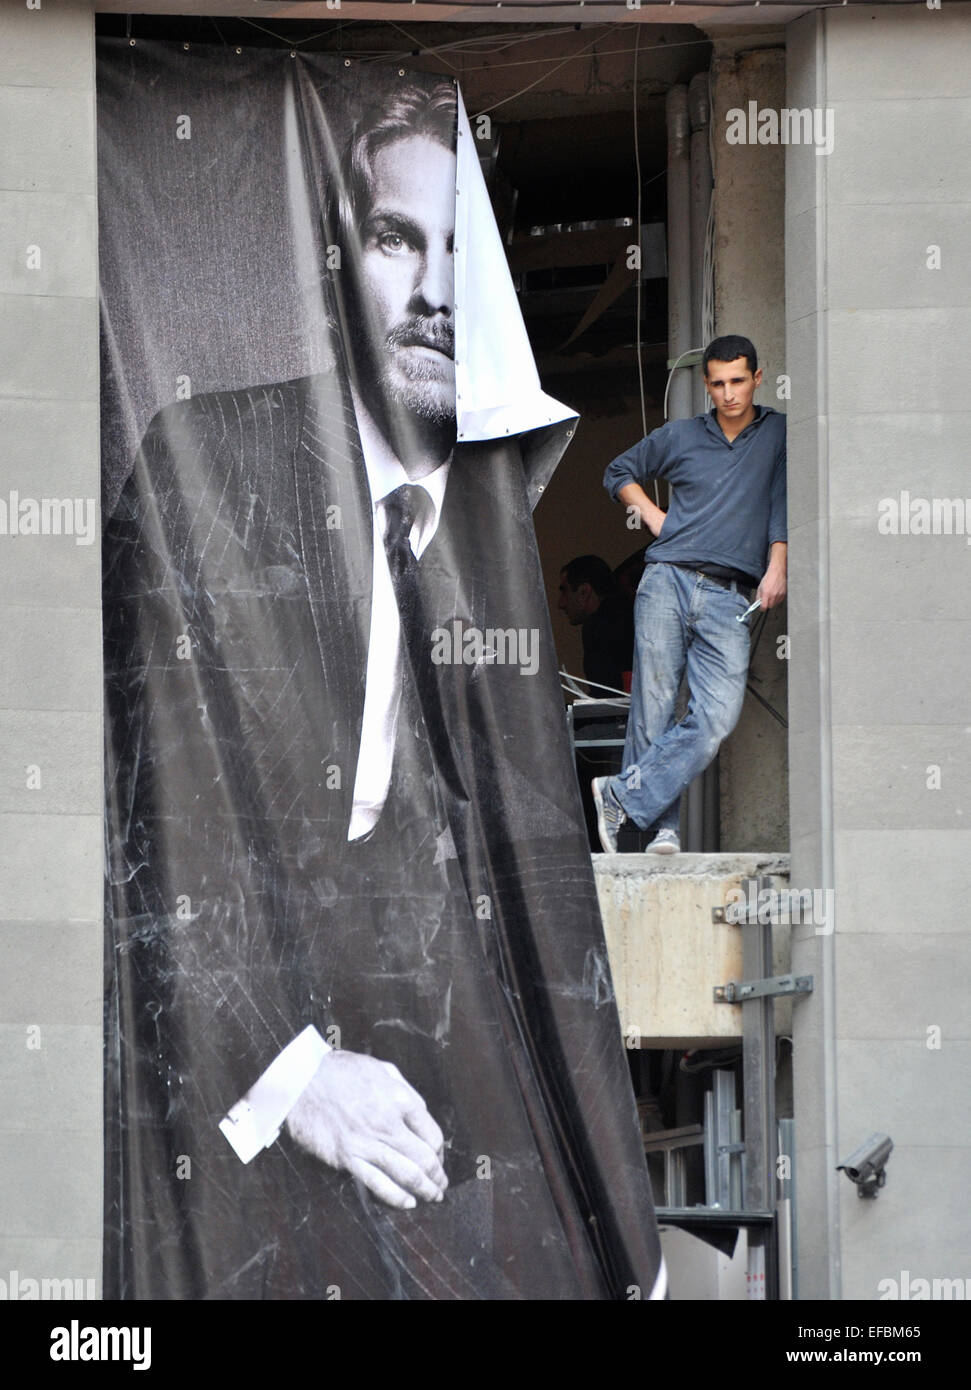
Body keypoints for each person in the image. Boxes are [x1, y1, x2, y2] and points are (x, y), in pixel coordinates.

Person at [103, 78, 663, 1300]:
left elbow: (530, 878)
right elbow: (147, 817)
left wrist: (626, 1231)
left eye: (459, 251)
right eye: (396, 238)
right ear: (332, 261)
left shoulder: (488, 534)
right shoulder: (207, 465)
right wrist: (290, 1066)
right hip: (233, 1095)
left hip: (422, 1069)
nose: (430, 293)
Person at [591, 334, 786, 856]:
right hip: (667, 581)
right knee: (652, 707)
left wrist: (777, 566)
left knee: (717, 716)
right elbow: (618, 471)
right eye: (718, 384)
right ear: (707, 385)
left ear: (758, 378)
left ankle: (623, 798)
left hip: (730, 594)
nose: (729, 394)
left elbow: (783, 504)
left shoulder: (778, 434)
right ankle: (661, 829)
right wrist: (655, 518)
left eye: (738, 382)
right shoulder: (681, 436)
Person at [557, 554, 634, 694]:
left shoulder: (599, 626)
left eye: (565, 591)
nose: (561, 604)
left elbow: (606, 697)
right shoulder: (627, 614)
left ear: (584, 592)